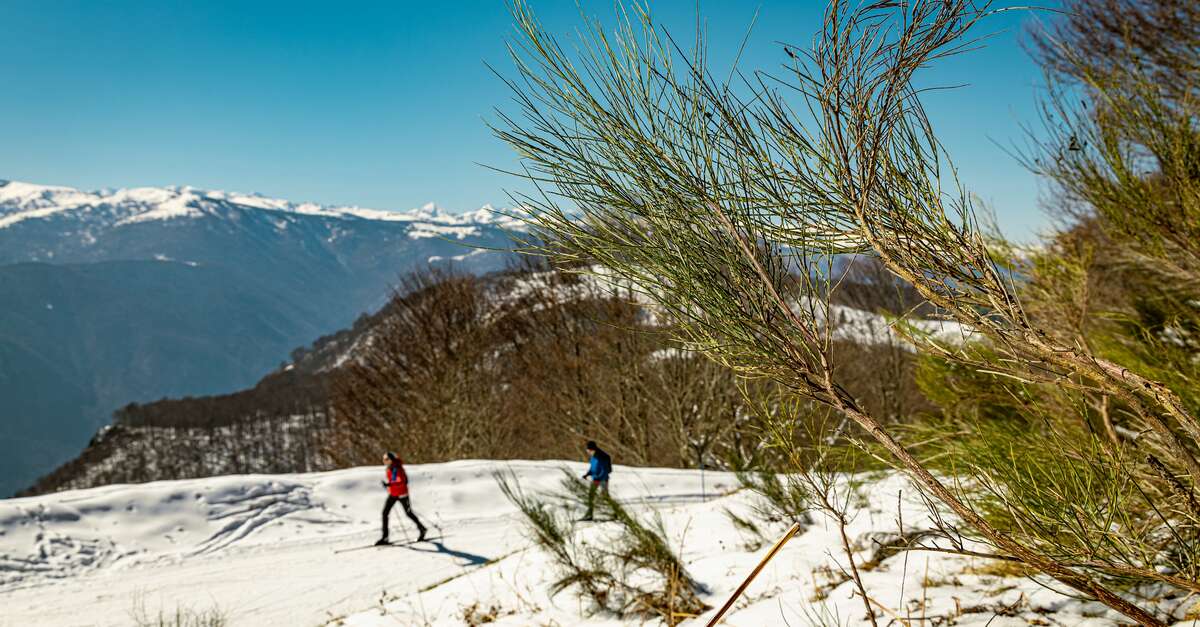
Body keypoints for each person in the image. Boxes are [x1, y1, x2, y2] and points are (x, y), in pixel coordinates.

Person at [377, 451, 427, 545]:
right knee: (385, 513)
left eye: (386, 459)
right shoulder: (390, 468)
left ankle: (422, 529)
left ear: (391, 459)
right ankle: (385, 537)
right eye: (384, 459)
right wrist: (389, 485)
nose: (384, 461)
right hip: (394, 494)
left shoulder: (396, 468)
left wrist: (389, 484)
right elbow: (395, 480)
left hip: (402, 494)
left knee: (408, 513)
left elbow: (402, 481)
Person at [580, 440, 612, 521]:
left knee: (605, 497)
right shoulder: (593, 456)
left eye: (588, 449)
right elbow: (593, 468)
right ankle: (589, 515)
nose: (587, 451)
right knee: (592, 496)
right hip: (596, 479)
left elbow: (605, 470)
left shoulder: (601, 456)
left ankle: (616, 513)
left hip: (602, 479)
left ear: (591, 449)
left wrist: (599, 478)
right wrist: (587, 474)